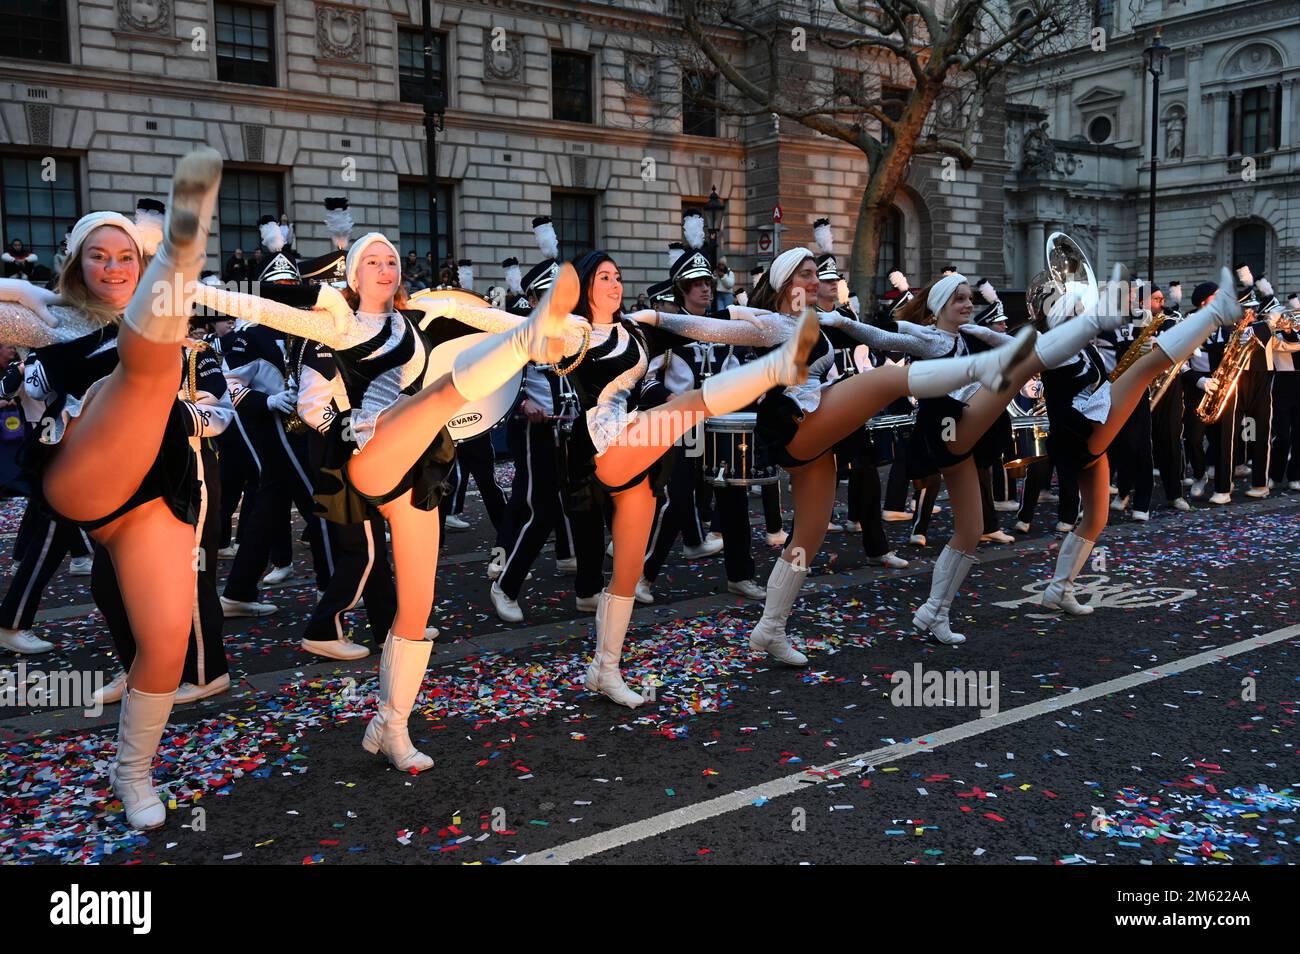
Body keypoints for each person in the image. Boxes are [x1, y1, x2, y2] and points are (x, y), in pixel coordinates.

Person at [193, 233, 586, 767]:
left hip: (418, 460)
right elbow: (270, 325)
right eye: (372, 262)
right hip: (368, 456)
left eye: (392, 261)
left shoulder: (421, 315)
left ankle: (391, 724)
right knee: (441, 395)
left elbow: (498, 324)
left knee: (417, 605)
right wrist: (189, 289)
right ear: (354, 276)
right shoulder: (334, 322)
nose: (384, 268)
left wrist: (553, 330)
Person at [0, 147, 226, 830]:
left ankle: (132, 771)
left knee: (163, 644)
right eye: (97, 256)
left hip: (152, 494)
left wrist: (191, 412)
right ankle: (182, 252)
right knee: (143, 365)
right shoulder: (48, 320)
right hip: (82, 476)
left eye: (126, 256)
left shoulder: (183, 334)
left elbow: (222, 407)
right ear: (76, 263)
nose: (111, 267)